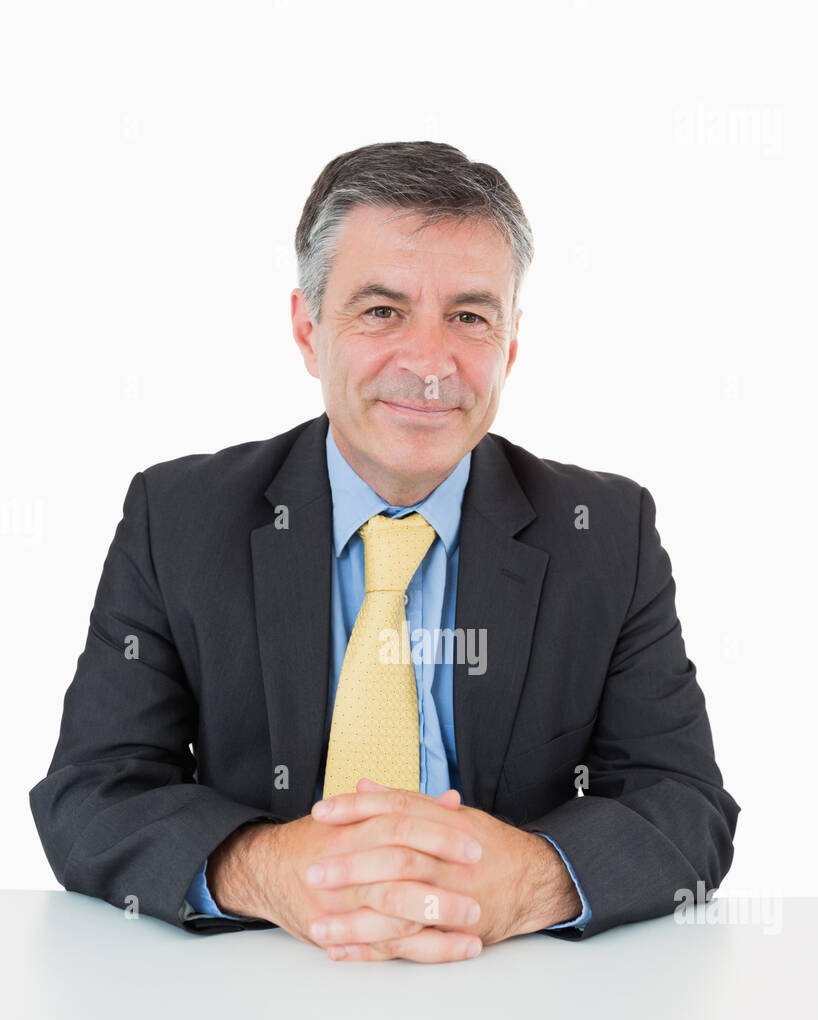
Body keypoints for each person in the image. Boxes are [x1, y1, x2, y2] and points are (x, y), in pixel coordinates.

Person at [30, 140, 740, 964]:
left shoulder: (606, 533)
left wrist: (532, 878)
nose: (430, 365)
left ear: (509, 346)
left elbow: (685, 800)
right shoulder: (178, 518)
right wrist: (262, 870)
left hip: (513, 1002)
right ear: (307, 328)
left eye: (470, 316)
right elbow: (92, 791)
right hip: (247, 1000)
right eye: (381, 310)